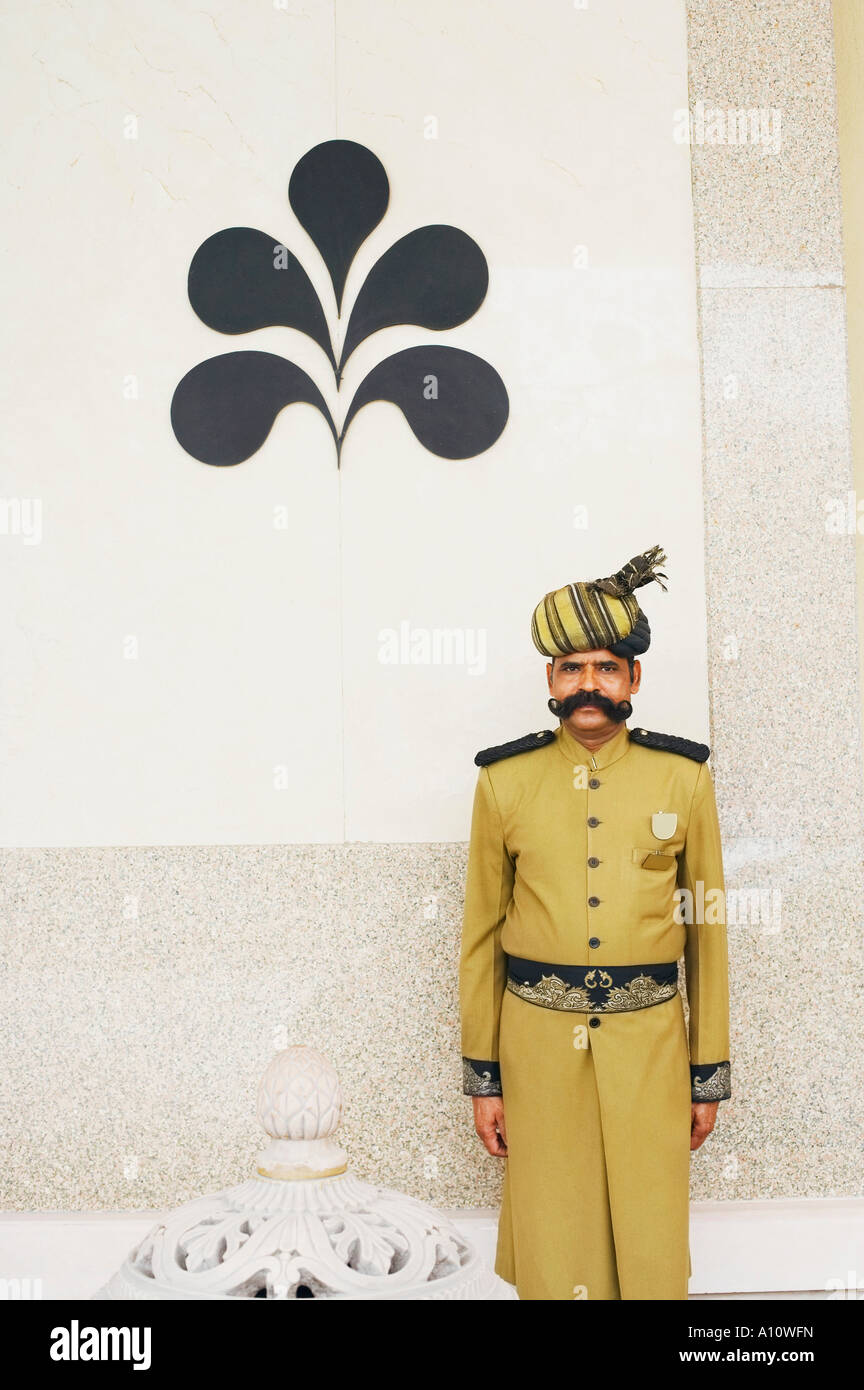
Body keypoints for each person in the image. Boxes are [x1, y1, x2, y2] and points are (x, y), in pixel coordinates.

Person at [458, 545, 731, 1300]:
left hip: (650, 1050)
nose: (590, 685)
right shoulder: (502, 782)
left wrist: (706, 1074)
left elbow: (707, 933)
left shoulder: (684, 776)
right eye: (572, 667)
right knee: (553, 1244)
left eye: (606, 668)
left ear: (634, 678)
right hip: (537, 1050)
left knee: (648, 1243)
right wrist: (485, 1079)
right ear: (549, 678)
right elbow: (479, 938)